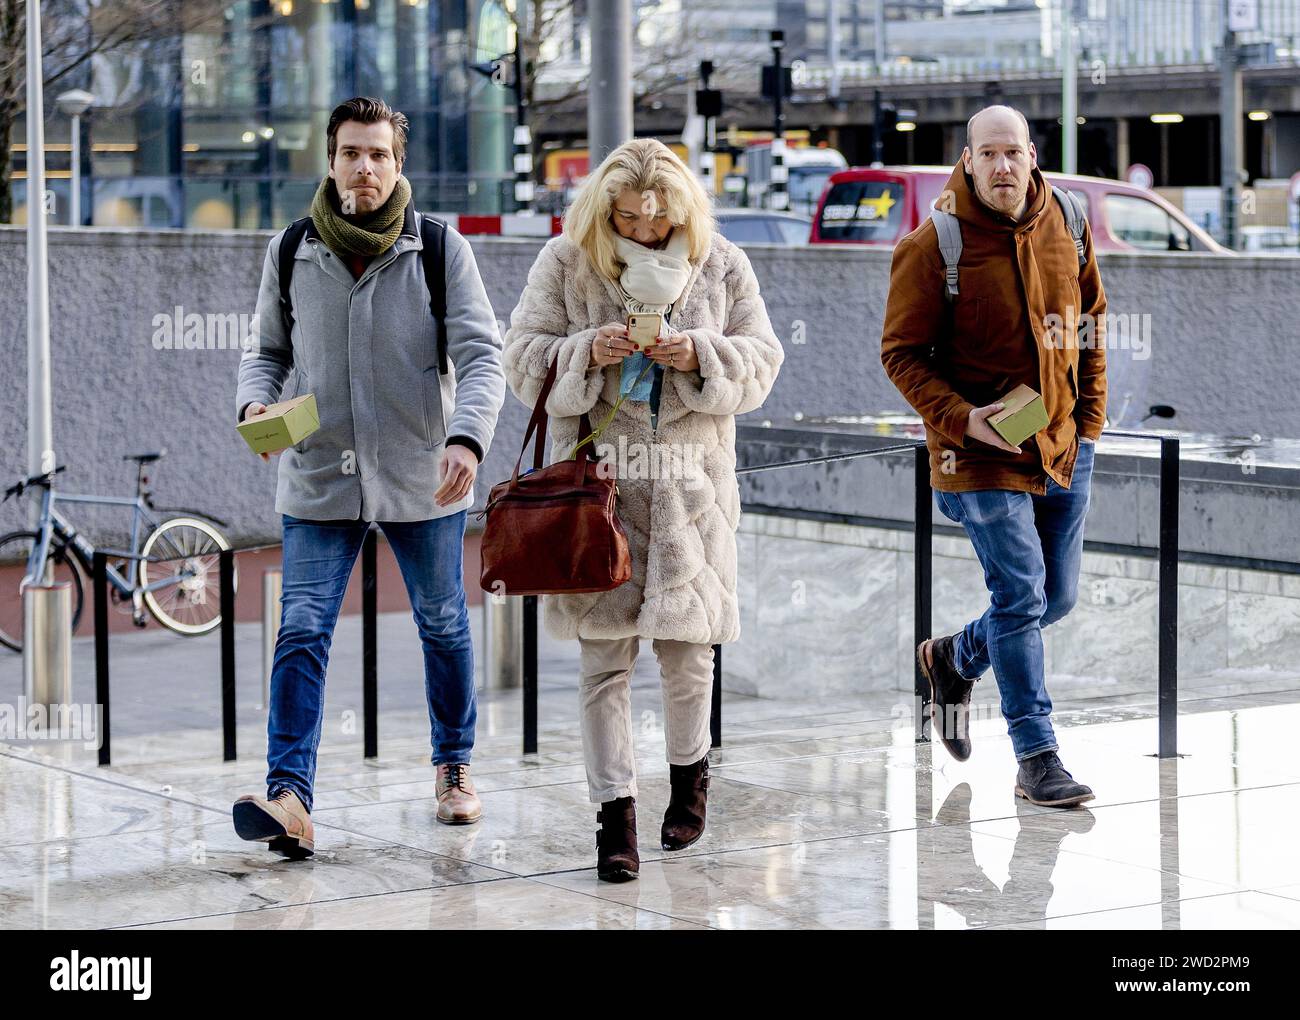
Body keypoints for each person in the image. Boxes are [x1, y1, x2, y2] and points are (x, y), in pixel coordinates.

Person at [502, 138, 784, 880]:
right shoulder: (566, 262)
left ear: (680, 210)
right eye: (628, 217)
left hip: (692, 492)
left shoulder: (721, 262)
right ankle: (613, 818)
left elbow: (762, 360)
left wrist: (702, 357)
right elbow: (518, 355)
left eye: (656, 219)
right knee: (604, 666)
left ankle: (691, 782)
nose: (644, 230)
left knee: (690, 660)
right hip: (599, 492)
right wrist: (583, 352)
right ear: (606, 210)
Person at [232, 97, 505, 857]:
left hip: (425, 473)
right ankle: (290, 797)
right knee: (301, 629)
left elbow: (484, 356)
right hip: (320, 475)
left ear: (398, 162)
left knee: (443, 624)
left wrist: (467, 441)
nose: (365, 167)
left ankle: (454, 767)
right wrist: (255, 400)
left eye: (379, 154)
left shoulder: (441, 248)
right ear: (330, 160)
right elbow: (265, 351)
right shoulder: (291, 249)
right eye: (351, 153)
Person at [880, 105, 1106, 808]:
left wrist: (1090, 422)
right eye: (989, 155)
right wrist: (963, 421)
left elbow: (1093, 324)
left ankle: (953, 656)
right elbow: (901, 355)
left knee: (1055, 597)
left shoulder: (1067, 221)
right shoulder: (934, 243)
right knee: (1020, 595)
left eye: (1014, 153)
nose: (1003, 167)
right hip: (975, 457)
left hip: (1062, 444)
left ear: (1032, 155)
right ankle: (1037, 755)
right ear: (969, 160)